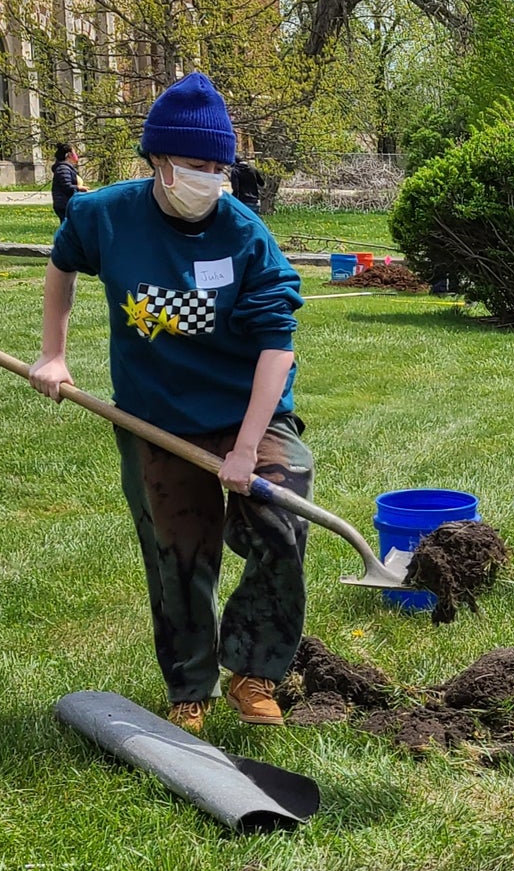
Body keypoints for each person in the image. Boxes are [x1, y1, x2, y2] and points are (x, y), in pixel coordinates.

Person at [29, 71, 312, 733]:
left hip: (249, 411)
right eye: (195, 165)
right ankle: (191, 687)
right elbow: (62, 261)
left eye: (220, 166)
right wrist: (53, 353)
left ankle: (256, 669)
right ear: (158, 160)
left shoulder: (244, 236)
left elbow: (278, 346)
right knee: (178, 554)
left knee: (282, 524)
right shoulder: (106, 216)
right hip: (156, 418)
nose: (210, 178)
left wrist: (245, 450)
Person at [50, 143, 85, 222]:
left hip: (68, 203)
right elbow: (66, 186)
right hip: (64, 204)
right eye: (74, 152)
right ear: (69, 154)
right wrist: (79, 188)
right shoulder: (63, 168)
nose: (76, 155)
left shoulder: (66, 168)